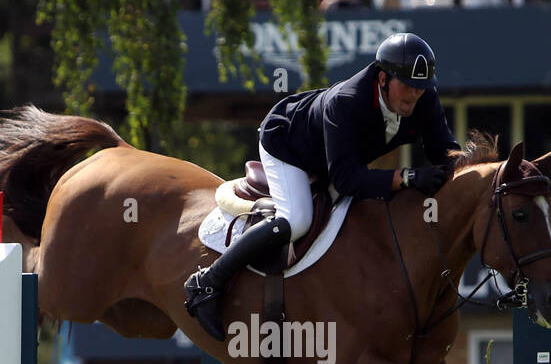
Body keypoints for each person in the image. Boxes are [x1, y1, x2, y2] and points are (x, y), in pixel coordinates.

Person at [184, 32, 460, 341]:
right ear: (383, 79)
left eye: (421, 89)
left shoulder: (424, 98)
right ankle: (207, 283)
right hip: (288, 147)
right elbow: (346, 179)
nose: (414, 96)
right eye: (408, 87)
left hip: (334, 159)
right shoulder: (348, 102)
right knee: (298, 219)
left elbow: (446, 152)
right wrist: (406, 177)